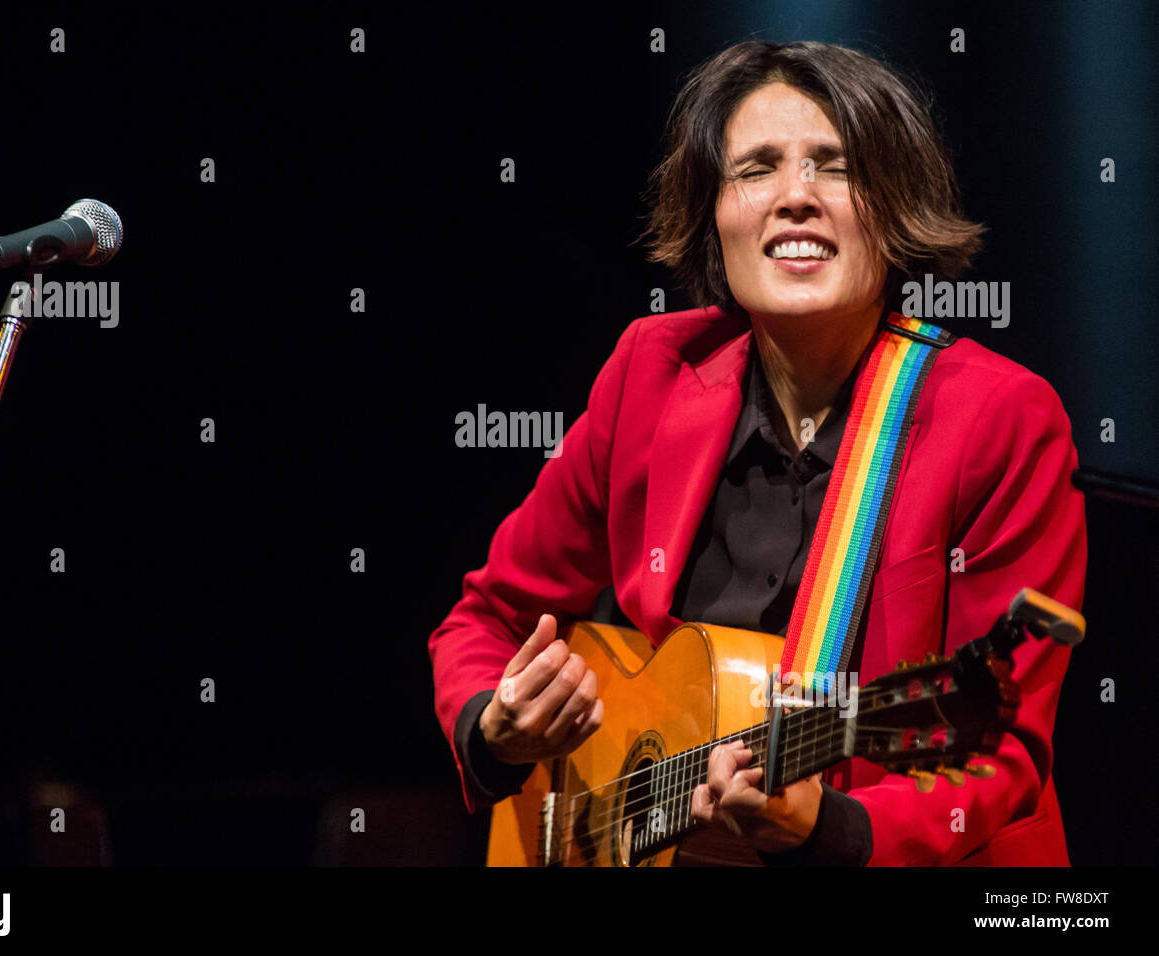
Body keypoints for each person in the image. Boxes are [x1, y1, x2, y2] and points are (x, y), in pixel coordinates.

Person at [427, 40, 1086, 866]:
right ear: (715, 214)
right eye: (757, 168)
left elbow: (1000, 753)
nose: (795, 198)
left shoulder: (999, 418)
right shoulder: (651, 371)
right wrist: (494, 732)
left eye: (836, 167)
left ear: (896, 205)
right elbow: (486, 618)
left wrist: (828, 831)